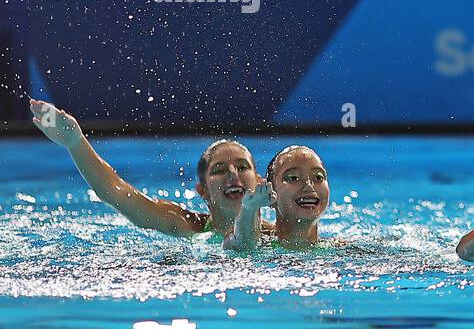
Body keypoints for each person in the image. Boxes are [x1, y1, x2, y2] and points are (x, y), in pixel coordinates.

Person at [29, 99, 266, 238]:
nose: (233, 174)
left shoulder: (279, 236)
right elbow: (116, 192)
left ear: (260, 181)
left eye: (242, 167)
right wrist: (75, 142)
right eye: (219, 170)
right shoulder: (185, 225)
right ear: (202, 190)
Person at [225, 145, 330, 250]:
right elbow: (241, 246)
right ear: (271, 191)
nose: (309, 186)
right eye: (293, 178)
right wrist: (250, 208)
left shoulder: (340, 250)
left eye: (318, 177)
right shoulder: (261, 245)